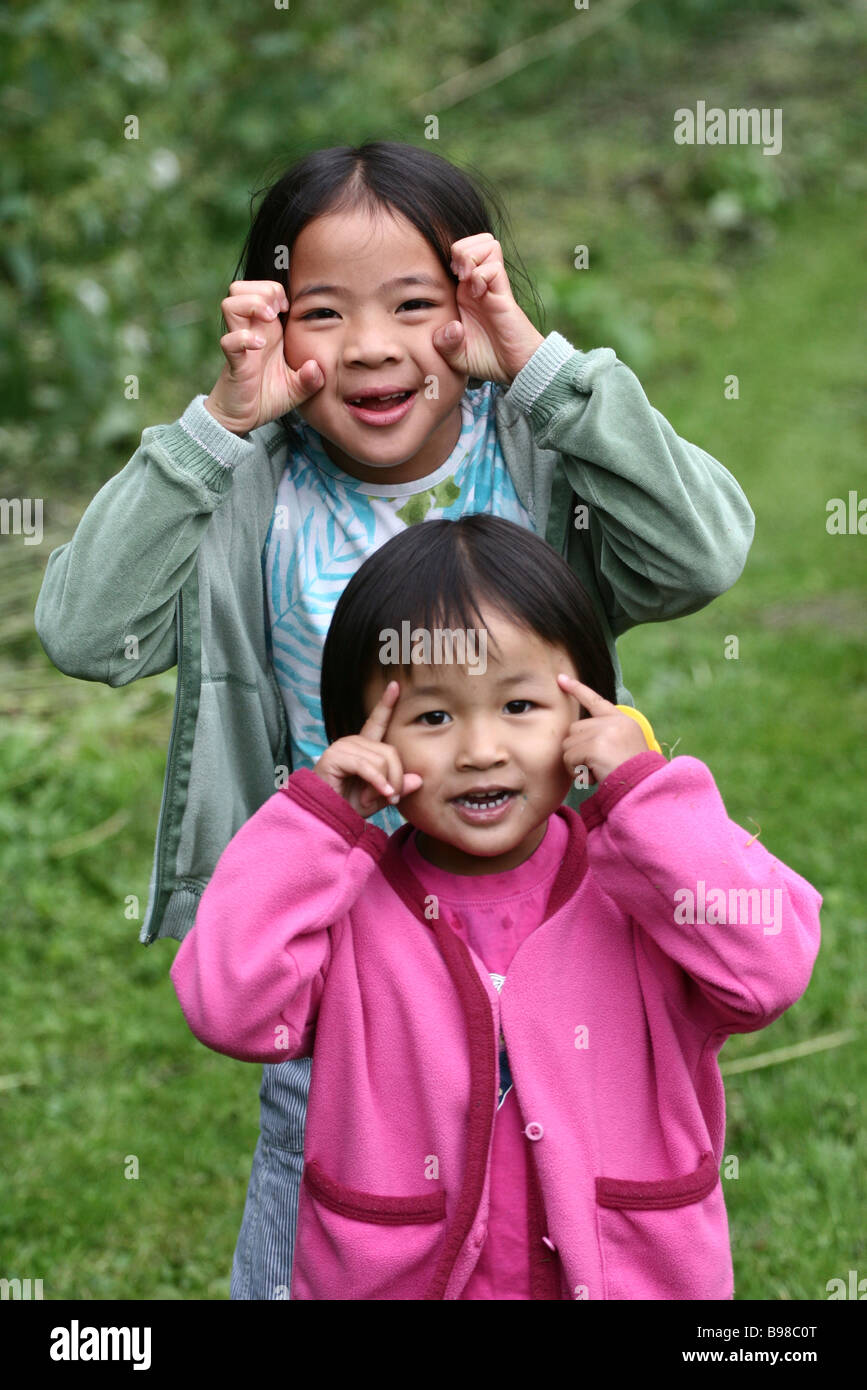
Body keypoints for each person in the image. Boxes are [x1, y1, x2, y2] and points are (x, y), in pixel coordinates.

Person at [34, 140, 756, 1299]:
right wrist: (215, 430)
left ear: (472, 304)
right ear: (269, 320)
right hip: (348, 946)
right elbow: (81, 631)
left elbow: (705, 550)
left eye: (414, 305)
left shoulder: (537, 455)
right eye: (325, 311)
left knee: (570, 1195)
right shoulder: (248, 496)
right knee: (331, 1208)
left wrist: (542, 371)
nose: (372, 346)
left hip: (559, 924)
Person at [170, 516, 822, 1300]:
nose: (480, 749)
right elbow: (229, 1006)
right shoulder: (344, 908)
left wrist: (646, 795)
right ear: (365, 737)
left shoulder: (642, 890)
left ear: (585, 714)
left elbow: (771, 967)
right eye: (433, 718)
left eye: (519, 706)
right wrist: (314, 824)